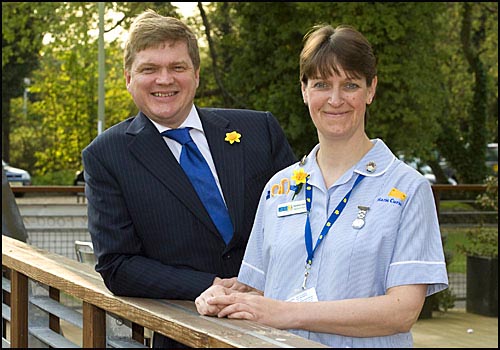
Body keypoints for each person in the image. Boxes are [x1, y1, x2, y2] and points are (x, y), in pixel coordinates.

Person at [195, 24, 449, 348]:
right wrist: (221, 296)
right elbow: (257, 290)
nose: (335, 99)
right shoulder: (279, 188)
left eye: (350, 84)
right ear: (304, 91)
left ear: (371, 90)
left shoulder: (408, 189)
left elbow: (401, 312)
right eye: (321, 84)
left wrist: (289, 313)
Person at [82, 9, 297, 348]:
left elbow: (301, 218)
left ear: (196, 74)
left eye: (177, 67)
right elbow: (117, 265)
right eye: (149, 69)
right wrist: (209, 284)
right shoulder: (107, 156)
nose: (164, 79)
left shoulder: (259, 131)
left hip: (280, 328)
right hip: (185, 333)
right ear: (128, 78)